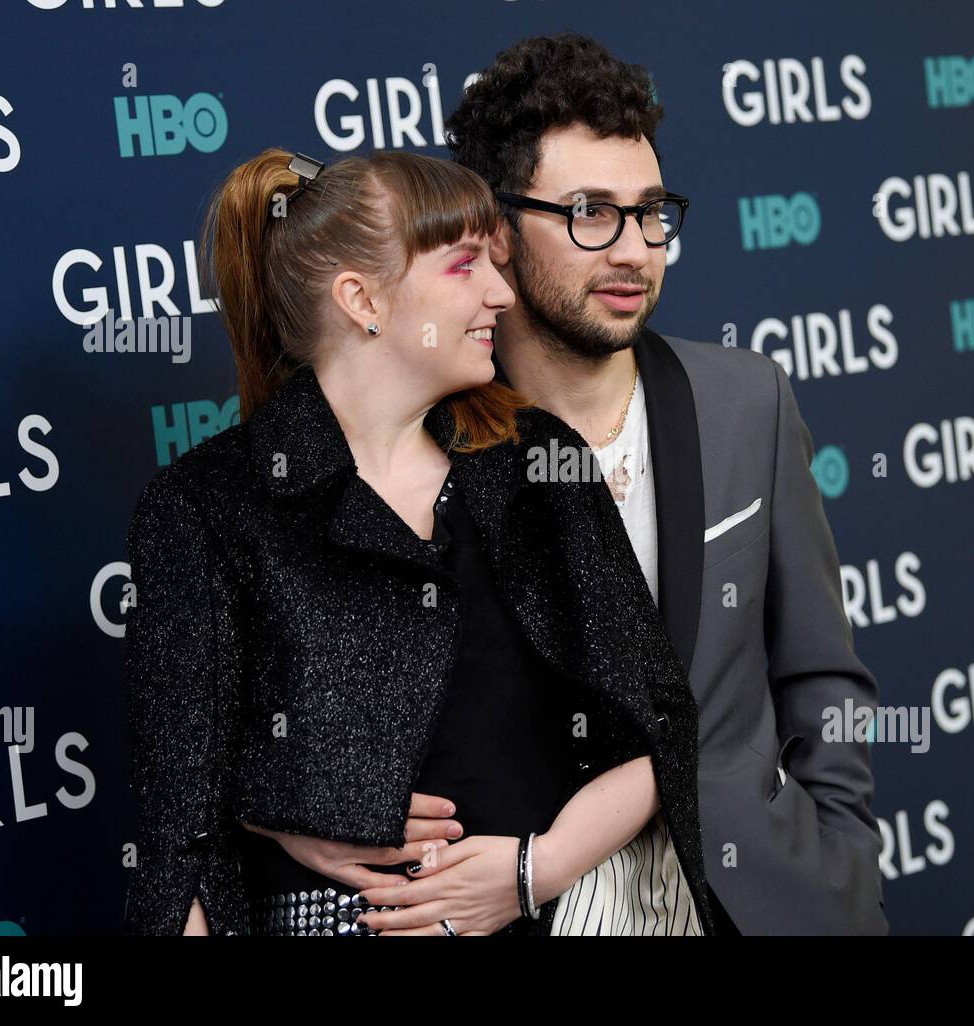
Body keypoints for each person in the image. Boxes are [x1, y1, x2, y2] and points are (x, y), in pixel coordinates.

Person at [122, 146, 714, 936]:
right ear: (362, 298)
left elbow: (661, 726)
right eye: (467, 265)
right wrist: (301, 804)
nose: (504, 295)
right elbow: (180, 844)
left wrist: (537, 869)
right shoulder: (206, 506)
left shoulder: (540, 463)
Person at [440, 31, 889, 935]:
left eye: (651, 213)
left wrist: (844, 864)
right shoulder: (432, 443)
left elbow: (822, 672)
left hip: (760, 900)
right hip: (538, 906)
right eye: (590, 214)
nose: (636, 250)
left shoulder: (745, 400)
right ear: (495, 231)